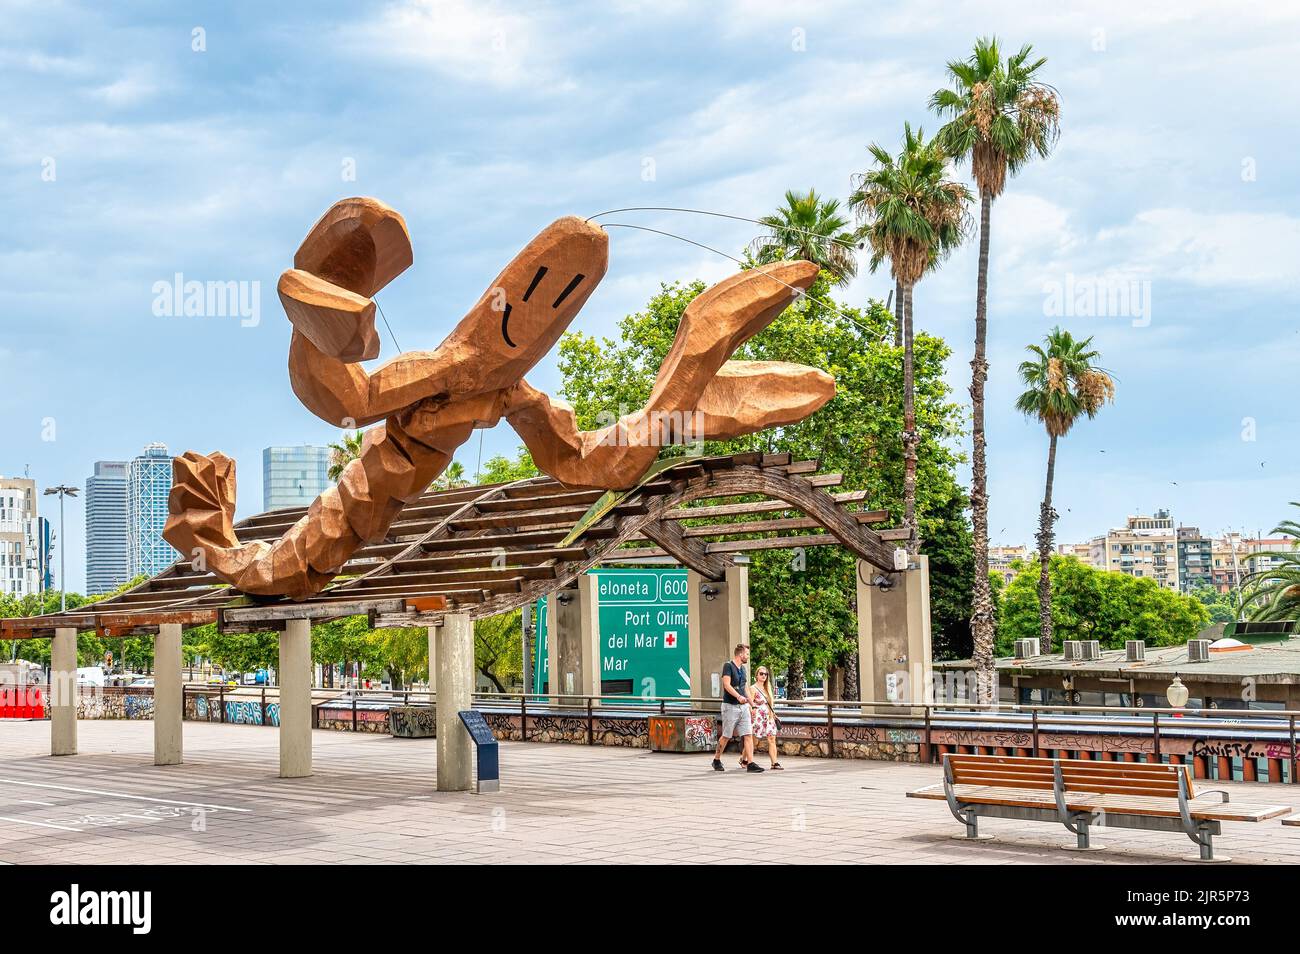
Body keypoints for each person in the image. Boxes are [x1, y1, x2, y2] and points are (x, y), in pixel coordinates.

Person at [712, 644, 762, 772]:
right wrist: (738, 696)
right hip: (730, 706)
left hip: (743, 707)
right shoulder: (728, 666)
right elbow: (726, 685)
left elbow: (745, 688)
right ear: (740, 654)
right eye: (746, 654)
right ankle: (716, 760)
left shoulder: (743, 669)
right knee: (726, 736)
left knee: (748, 734)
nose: (748, 657)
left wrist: (752, 704)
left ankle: (750, 763)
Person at [749, 665, 783, 770]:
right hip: (758, 718)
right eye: (761, 674)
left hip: (769, 718)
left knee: (772, 739)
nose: (764, 676)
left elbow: (769, 705)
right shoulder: (753, 688)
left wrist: (774, 715)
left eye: (765, 674)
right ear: (757, 675)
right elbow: (750, 704)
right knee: (754, 740)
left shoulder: (767, 688)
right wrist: (752, 714)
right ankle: (744, 758)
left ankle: (774, 763)